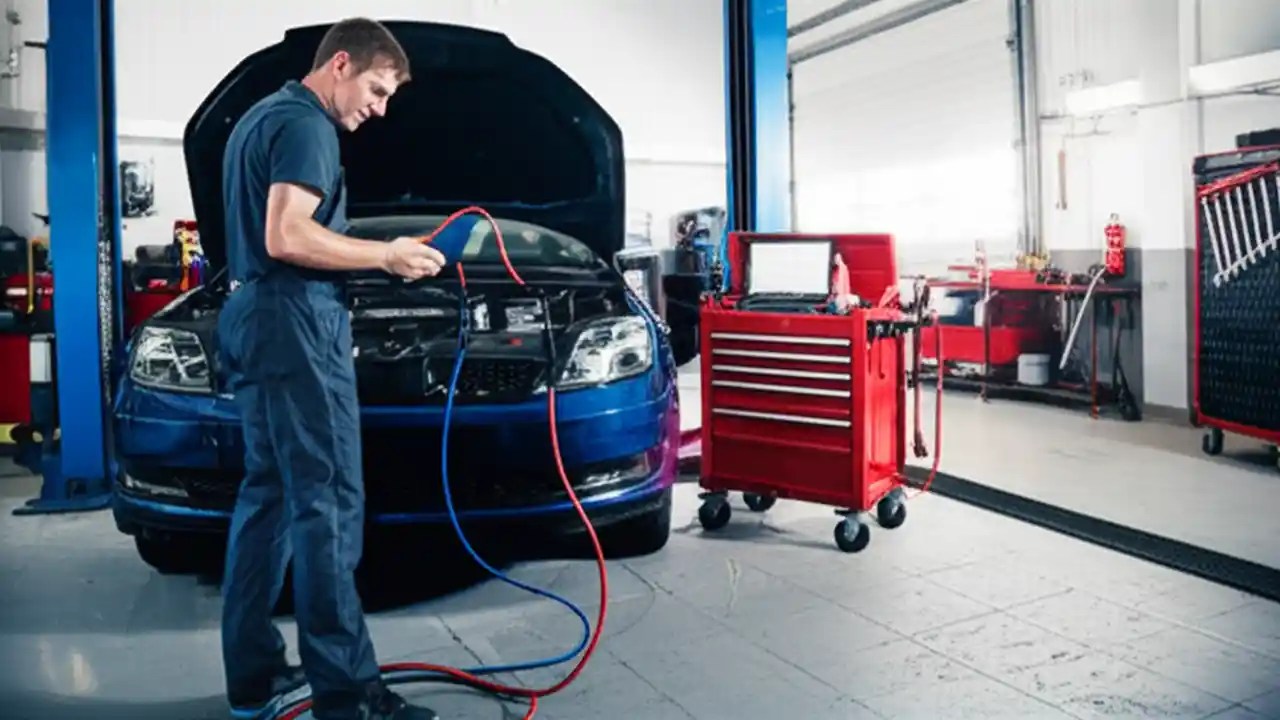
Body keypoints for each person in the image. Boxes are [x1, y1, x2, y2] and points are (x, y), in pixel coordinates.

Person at [216, 18, 445, 720]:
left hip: (252, 316)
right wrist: (387, 255)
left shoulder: (260, 117)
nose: (379, 109)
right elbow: (287, 234)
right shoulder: (308, 125)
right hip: (295, 323)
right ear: (340, 64)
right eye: (376, 89)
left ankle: (254, 677)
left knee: (268, 497)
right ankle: (350, 698)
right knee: (330, 502)